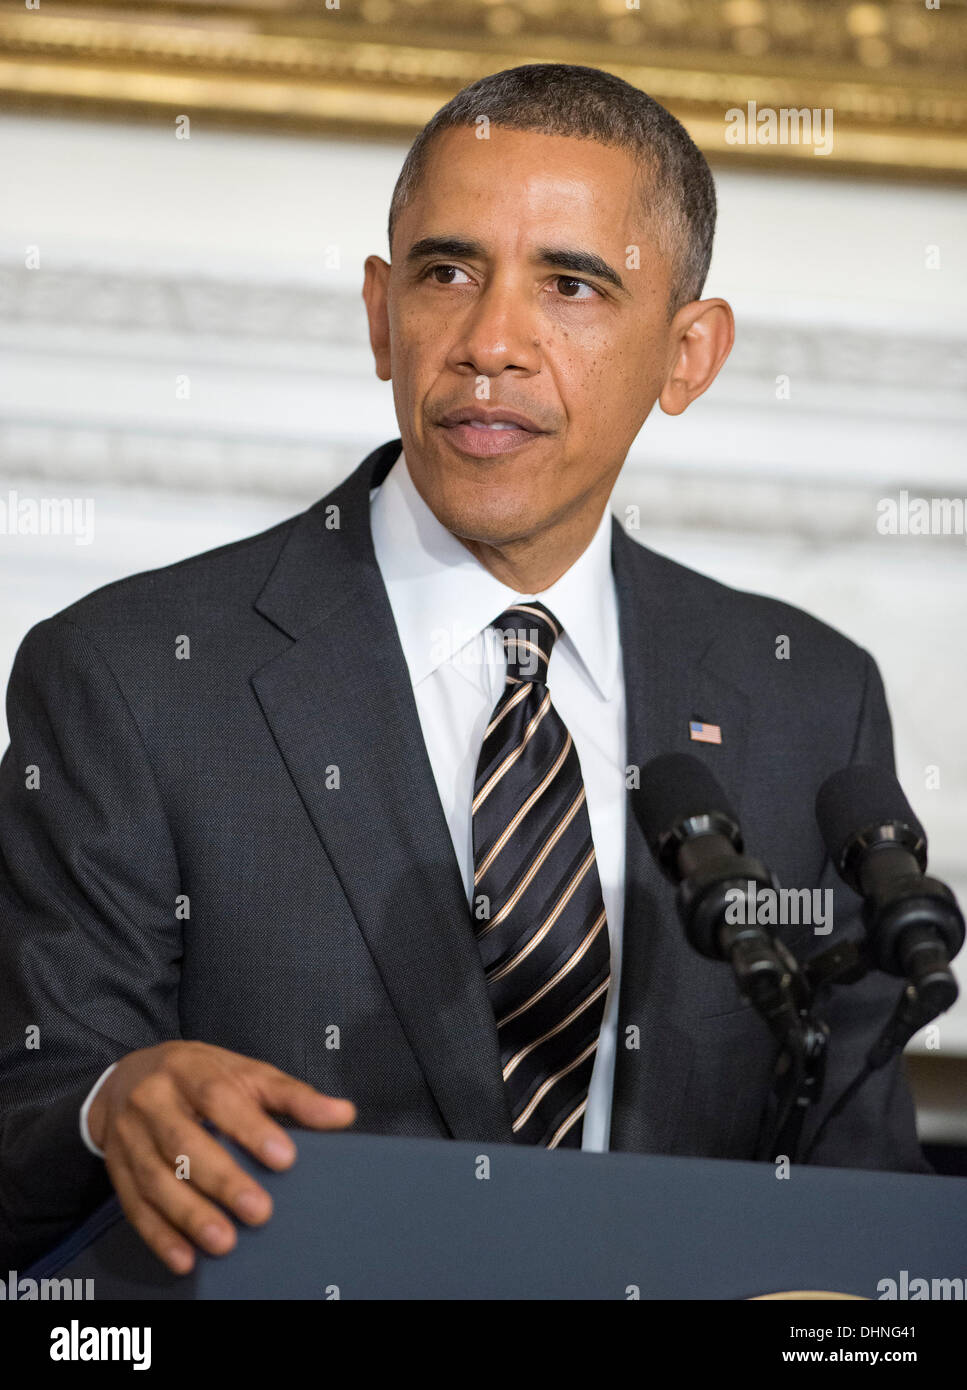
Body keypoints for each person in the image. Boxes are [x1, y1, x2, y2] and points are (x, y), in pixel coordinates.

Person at [0, 63, 928, 1276]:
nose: (491, 342)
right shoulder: (127, 678)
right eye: (446, 274)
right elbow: (33, 1103)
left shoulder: (808, 697)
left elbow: (859, 1205)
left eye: (572, 284)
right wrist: (113, 1099)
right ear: (382, 312)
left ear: (687, 354)